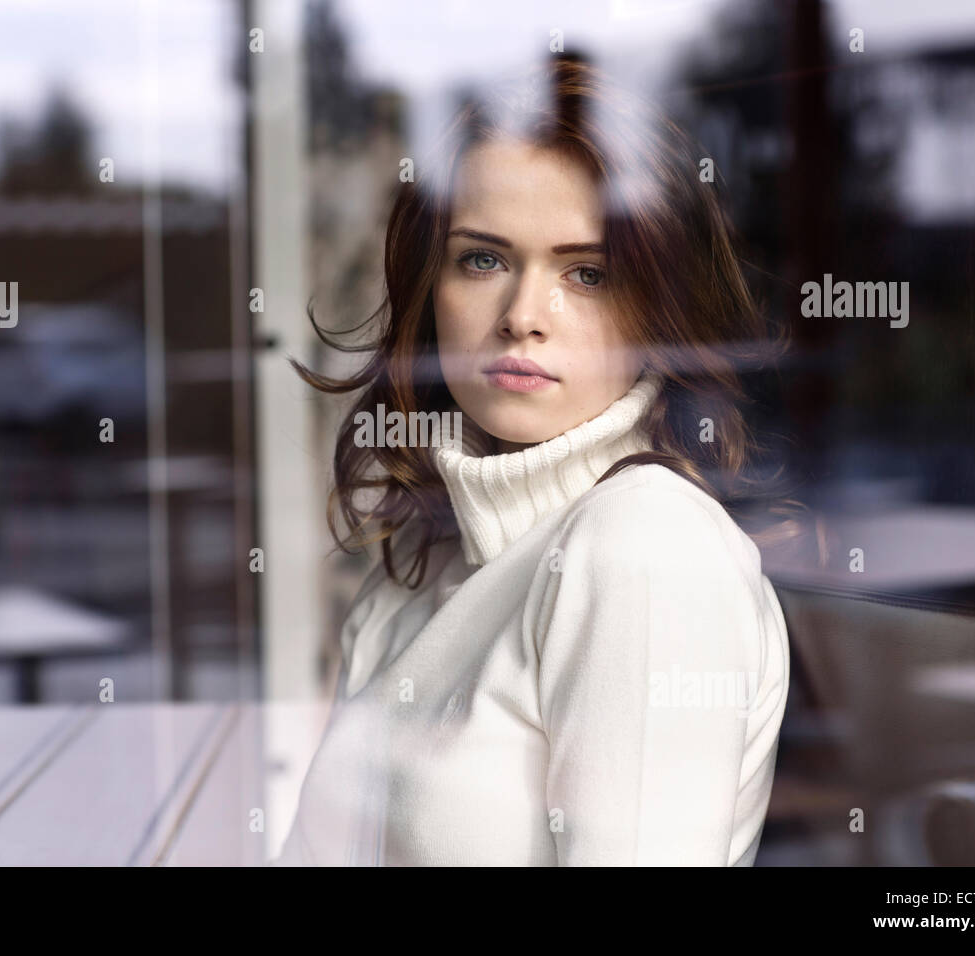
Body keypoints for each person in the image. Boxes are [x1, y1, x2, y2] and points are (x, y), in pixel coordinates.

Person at [273, 56, 806, 865]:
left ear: (659, 305)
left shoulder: (645, 545)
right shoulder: (417, 571)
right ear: (431, 284)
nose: (524, 316)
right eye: (482, 259)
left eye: (587, 272)